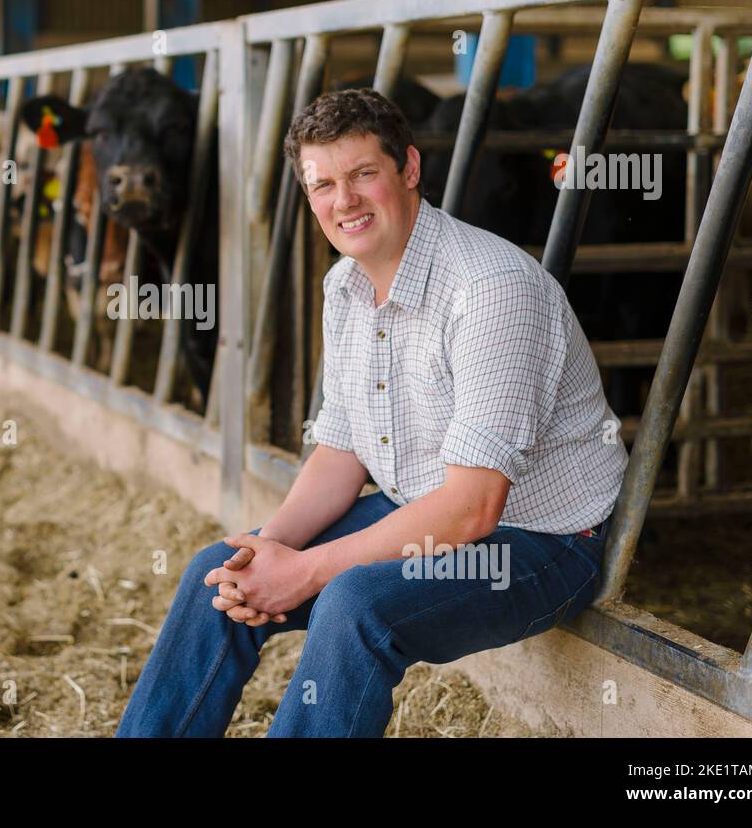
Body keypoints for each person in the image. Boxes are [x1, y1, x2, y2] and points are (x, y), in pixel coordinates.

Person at [115, 87, 629, 738]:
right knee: (216, 573)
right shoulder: (345, 285)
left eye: (363, 174)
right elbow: (340, 449)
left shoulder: (491, 289)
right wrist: (269, 550)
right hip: (417, 503)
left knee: (355, 604)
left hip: (540, 539)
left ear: (409, 169)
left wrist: (305, 572)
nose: (344, 200)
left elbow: (473, 508)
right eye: (323, 183)